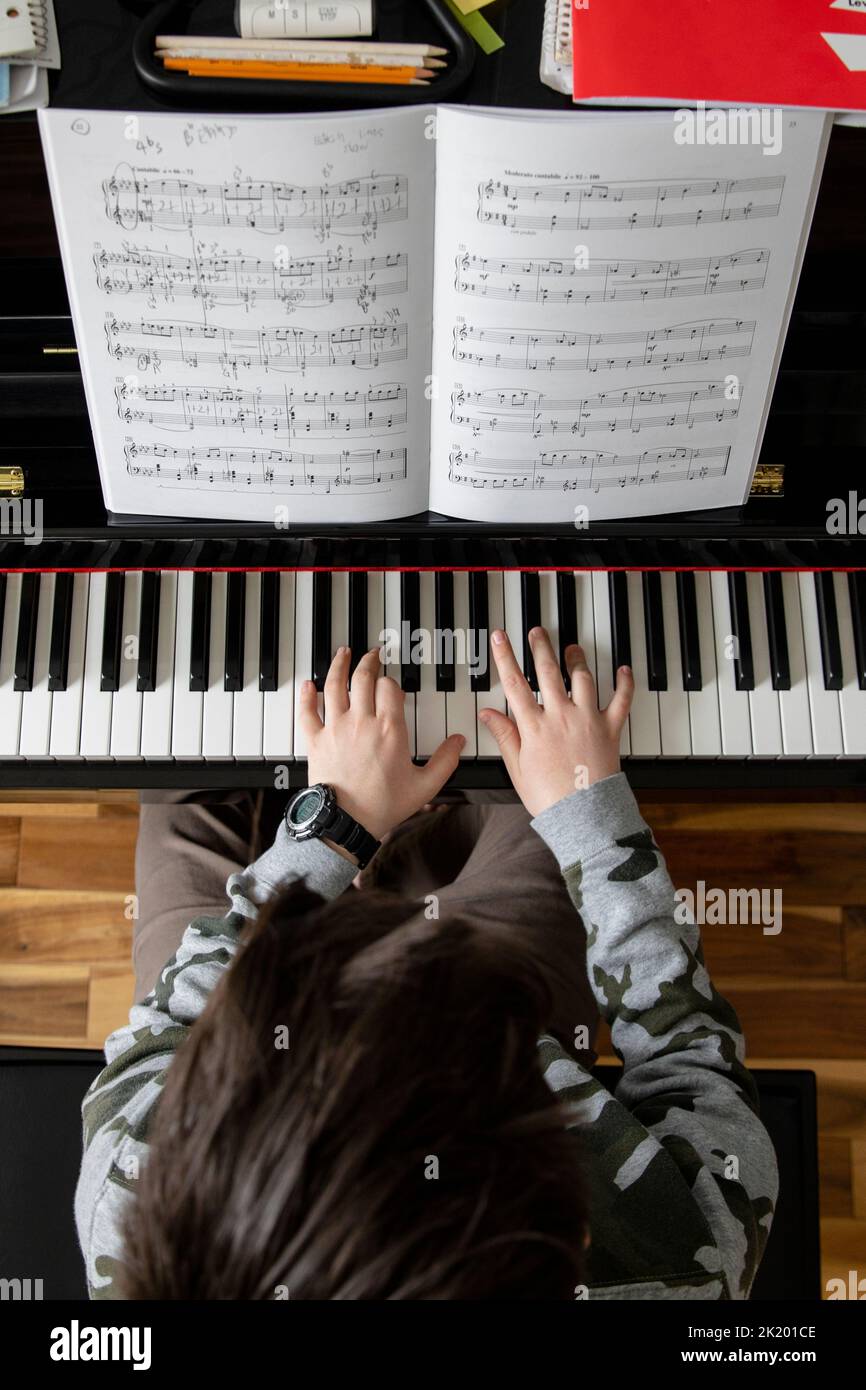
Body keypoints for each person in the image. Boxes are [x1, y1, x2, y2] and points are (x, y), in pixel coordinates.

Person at [75, 626, 778, 1300]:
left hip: (234, 1012)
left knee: (181, 779)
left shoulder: (132, 1213)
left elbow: (164, 1032)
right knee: (524, 751)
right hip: (506, 1010)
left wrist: (334, 827)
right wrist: (591, 823)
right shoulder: (678, 1272)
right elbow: (693, 1067)